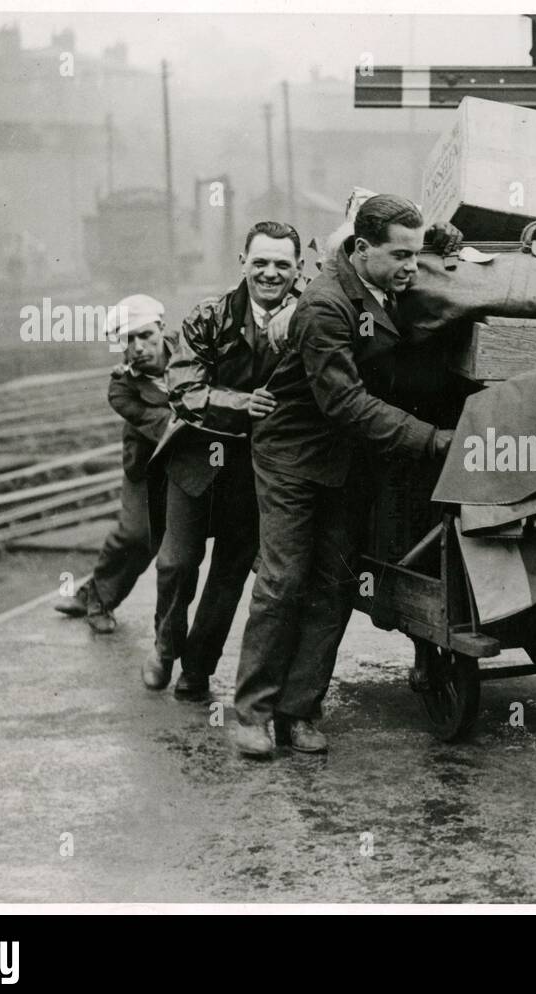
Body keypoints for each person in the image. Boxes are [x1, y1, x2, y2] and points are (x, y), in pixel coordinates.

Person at [230, 196, 461, 757]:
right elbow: (345, 403)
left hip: (349, 461)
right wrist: (432, 440)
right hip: (294, 457)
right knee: (284, 582)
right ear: (361, 250)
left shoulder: (381, 286)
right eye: (401, 255)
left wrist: (444, 243)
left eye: (417, 254)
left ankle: (299, 710)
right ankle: (252, 714)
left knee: (335, 585)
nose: (413, 266)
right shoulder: (325, 306)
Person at [143, 222, 302, 701]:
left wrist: (298, 315)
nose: (270, 273)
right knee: (177, 562)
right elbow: (184, 389)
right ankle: (165, 647)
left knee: (229, 575)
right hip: (196, 458)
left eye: (282, 265)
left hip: (258, 469)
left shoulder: (309, 316)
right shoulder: (208, 316)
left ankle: (196, 670)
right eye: (260, 263)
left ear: (298, 269)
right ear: (242, 263)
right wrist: (240, 404)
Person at [53, 294, 171, 633]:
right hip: (147, 468)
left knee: (161, 544)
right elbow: (162, 422)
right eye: (128, 339)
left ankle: (92, 594)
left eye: (145, 335)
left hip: (191, 465)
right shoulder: (121, 385)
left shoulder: (190, 352)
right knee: (135, 533)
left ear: (162, 329)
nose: (137, 347)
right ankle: (97, 602)